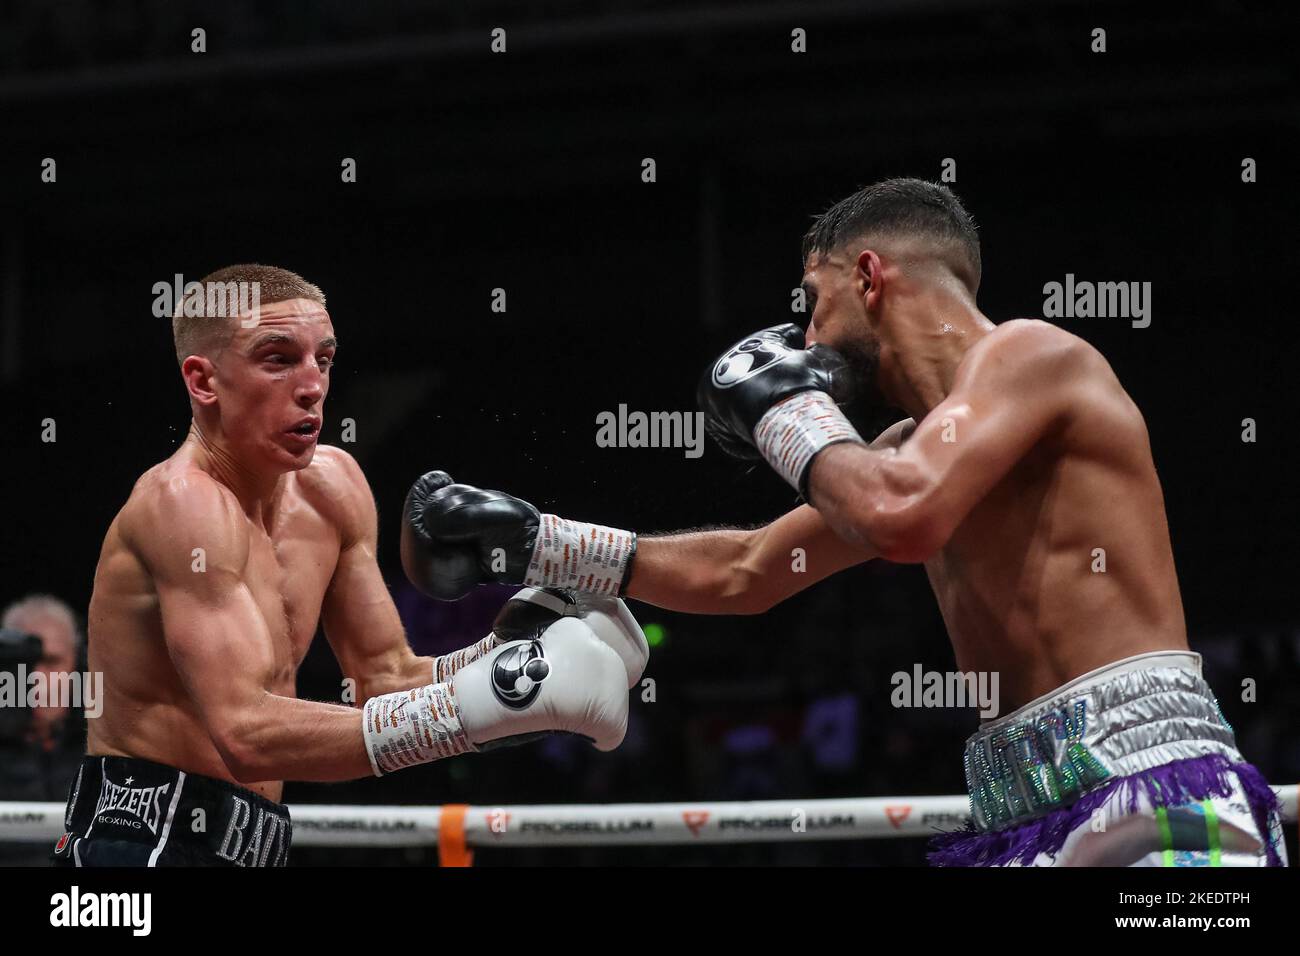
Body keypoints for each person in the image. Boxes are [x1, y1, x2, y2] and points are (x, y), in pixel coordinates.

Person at [401, 179, 1285, 867]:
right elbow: (746, 572)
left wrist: (786, 413)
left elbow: (902, 519)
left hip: (1152, 782)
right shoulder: (902, 455)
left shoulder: (1035, 355)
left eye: (811, 302)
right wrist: (531, 539)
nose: (805, 337)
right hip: (1021, 810)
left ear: (868, 275)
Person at [57, 265, 646, 867]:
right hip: (136, 844)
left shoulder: (333, 488)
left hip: (255, 844)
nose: (312, 384)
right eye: (278, 358)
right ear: (204, 380)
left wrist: (504, 654)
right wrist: (475, 710)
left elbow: (387, 677)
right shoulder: (178, 505)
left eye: (325, 359)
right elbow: (244, 733)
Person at [0, 595, 86, 865]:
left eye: (51, 662)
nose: (35, 678)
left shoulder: (105, 749)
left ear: (77, 664)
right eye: (21, 664)